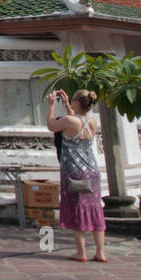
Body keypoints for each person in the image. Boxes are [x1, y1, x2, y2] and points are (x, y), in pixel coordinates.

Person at [47, 88, 107, 263]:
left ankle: (81, 252)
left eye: (73, 100)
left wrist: (51, 105)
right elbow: (76, 120)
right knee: (95, 210)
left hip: (74, 171)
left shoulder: (69, 121)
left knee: (78, 209)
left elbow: (51, 125)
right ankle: (100, 252)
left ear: (77, 102)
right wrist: (67, 105)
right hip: (92, 171)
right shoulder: (92, 122)